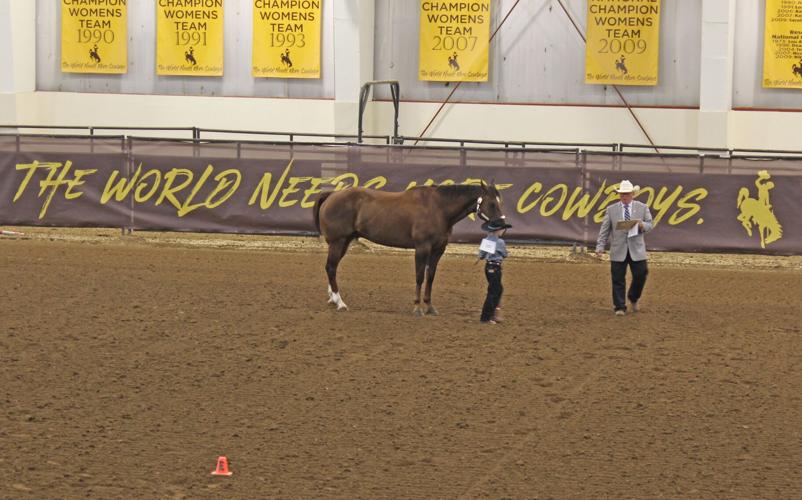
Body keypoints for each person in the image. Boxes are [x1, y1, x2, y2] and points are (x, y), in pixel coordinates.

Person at [595, 180, 653, 315]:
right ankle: (619, 306)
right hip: (618, 249)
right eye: (622, 194)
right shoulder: (611, 210)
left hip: (637, 249)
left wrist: (641, 225)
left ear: (632, 194)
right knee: (617, 278)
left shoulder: (642, 207)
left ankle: (633, 297)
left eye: (626, 194)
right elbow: (605, 229)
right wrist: (600, 246)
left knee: (641, 274)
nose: (624, 197)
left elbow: (650, 225)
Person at [478, 218, 511, 324]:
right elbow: (505, 254)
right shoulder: (500, 242)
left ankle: (490, 316)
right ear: (499, 230)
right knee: (495, 291)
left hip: (488, 267)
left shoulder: (486, 240)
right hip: (495, 267)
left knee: (494, 290)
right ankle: (487, 317)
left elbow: (481, 256)